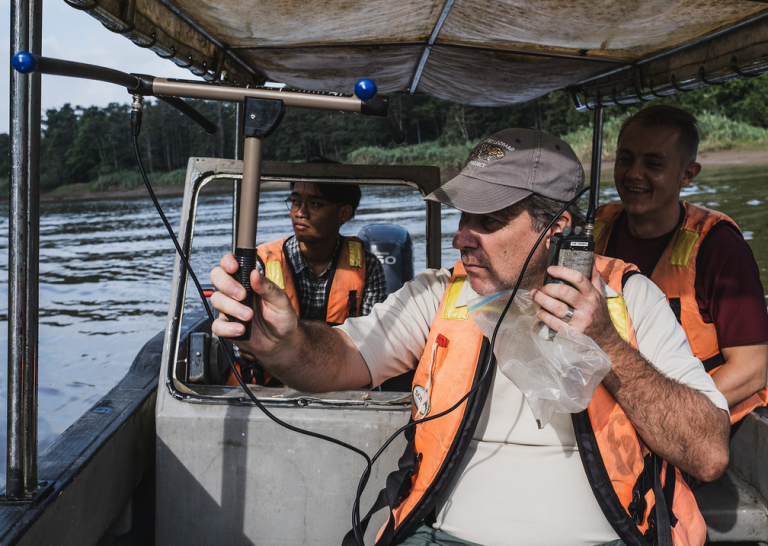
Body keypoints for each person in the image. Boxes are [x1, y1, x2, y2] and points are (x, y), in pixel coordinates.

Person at [210, 128, 730, 546]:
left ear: (558, 229)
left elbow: (707, 452)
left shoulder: (629, 299)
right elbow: (339, 360)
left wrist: (606, 344)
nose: (461, 236)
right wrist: (280, 342)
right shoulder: (440, 294)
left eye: (490, 220)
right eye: (463, 215)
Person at [594, 105, 768, 424]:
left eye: (653, 164)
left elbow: (752, 370)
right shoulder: (595, 229)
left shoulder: (719, 247)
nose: (634, 173)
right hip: (611, 401)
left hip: (685, 421)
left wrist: (663, 415)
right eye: (626, 158)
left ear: (687, 174)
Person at [225, 179, 386, 386]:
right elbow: (242, 349)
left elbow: (370, 346)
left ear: (343, 214)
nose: (300, 212)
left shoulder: (369, 267)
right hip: (270, 391)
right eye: (295, 201)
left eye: (314, 204)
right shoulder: (260, 264)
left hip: (341, 389)